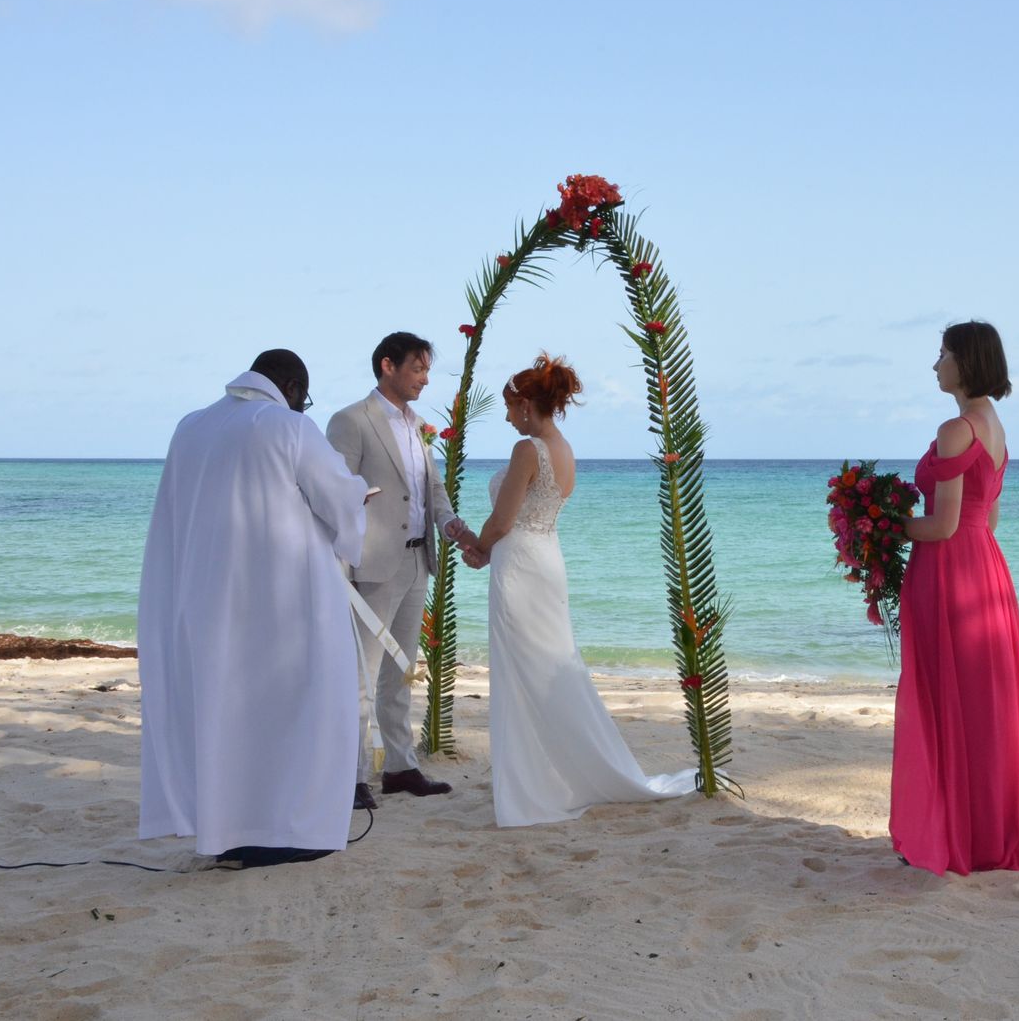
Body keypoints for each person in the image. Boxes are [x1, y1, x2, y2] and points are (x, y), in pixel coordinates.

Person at [139, 349, 369, 866]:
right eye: (303, 398)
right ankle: (293, 831)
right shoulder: (287, 427)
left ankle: (227, 830)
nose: (303, 407)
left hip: (207, 600)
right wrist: (359, 497)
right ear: (289, 386)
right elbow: (338, 498)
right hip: (286, 600)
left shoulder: (191, 427)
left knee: (226, 714)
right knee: (301, 709)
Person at [462, 353, 696, 827]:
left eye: (510, 407)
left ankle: (535, 786)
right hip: (546, 560)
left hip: (520, 566)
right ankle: (558, 772)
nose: (507, 416)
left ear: (527, 404)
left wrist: (477, 547)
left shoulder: (528, 450)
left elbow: (503, 520)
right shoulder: (564, 449)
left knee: (521, 671)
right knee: (549, 667)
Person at [889, 320, 1019, 875]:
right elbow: (990, 518)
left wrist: (882, 528)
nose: (935, 364)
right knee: (985, 707)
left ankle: (955, 835)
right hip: (986, 570)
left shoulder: (956, 428)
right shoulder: (995, 426)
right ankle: (986, 831)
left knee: (947, 700)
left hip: (951, 575)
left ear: (965, 362)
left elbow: (940, 526)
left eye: (942, 354)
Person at [327, 332, 474, 810]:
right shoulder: (351, 421)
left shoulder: (416, 426)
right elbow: (335, 493)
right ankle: (347, 777)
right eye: (417, 369)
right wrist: (341, 566)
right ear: (388, 366)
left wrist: (452, 524)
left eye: (427, 370)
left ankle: (399, 767)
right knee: (361, 676)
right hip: (372, 566)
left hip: (417, 561)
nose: (424, 380)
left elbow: (431, 487)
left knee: (402, 672)